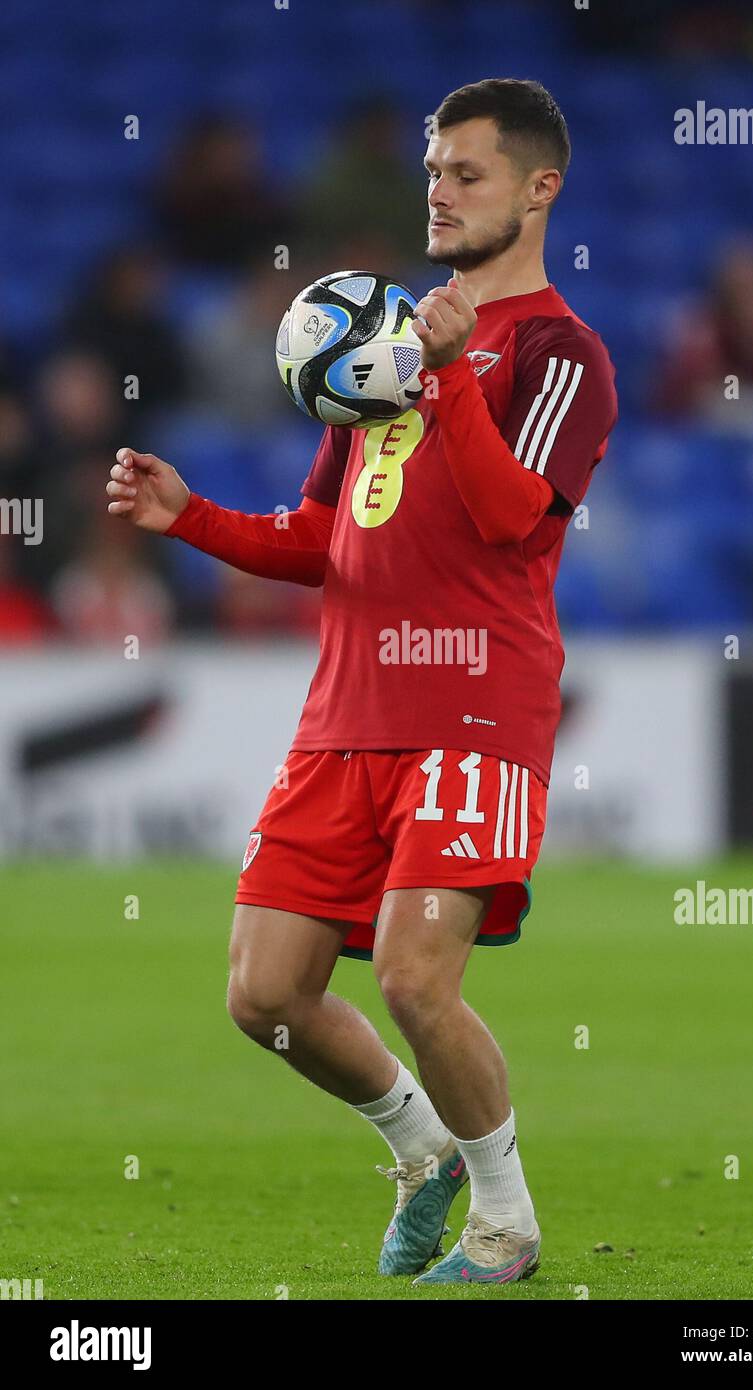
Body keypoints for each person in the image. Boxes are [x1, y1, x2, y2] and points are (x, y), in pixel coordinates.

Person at [105, 78, 617, 1286]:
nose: (436, 192)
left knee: (408, 976)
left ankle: (505, 1227)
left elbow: (507, 522)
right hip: (344, 715)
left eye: (467, 173)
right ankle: (420, 1148)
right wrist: (193, 519)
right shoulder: (381, 342)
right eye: (432, 171)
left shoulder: (556, 353)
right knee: (264, 992)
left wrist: (443, 378)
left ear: (539, 189)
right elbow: (324, 539)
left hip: (473, 711)